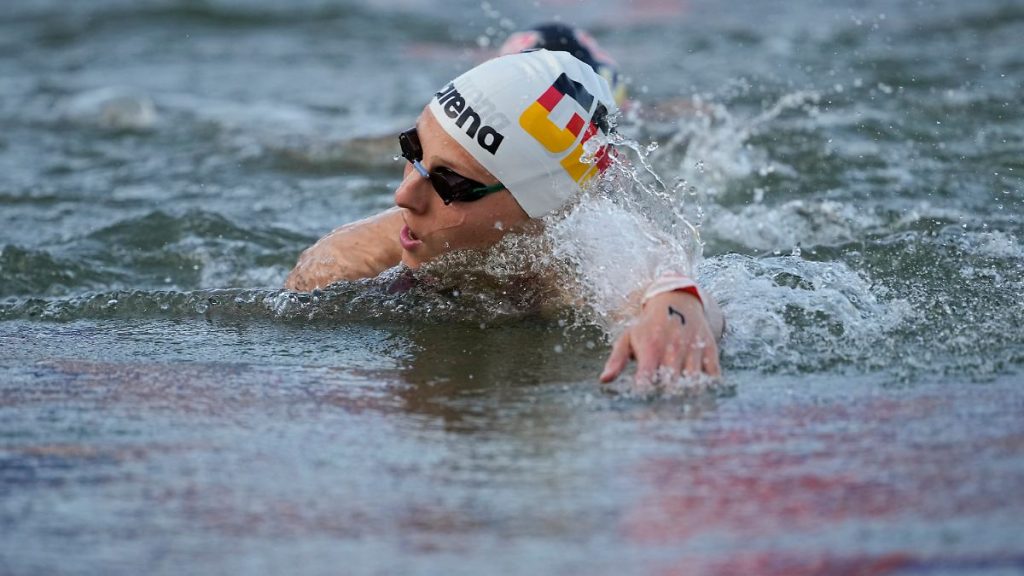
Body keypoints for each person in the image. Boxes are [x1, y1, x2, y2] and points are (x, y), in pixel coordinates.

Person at [285, 49, 724, 384]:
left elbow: (663, 286)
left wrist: (678, 306)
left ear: (540, 212)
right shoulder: (346, 264)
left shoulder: (574, 262)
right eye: (411, 150)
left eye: (450, 184)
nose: (404, 194)